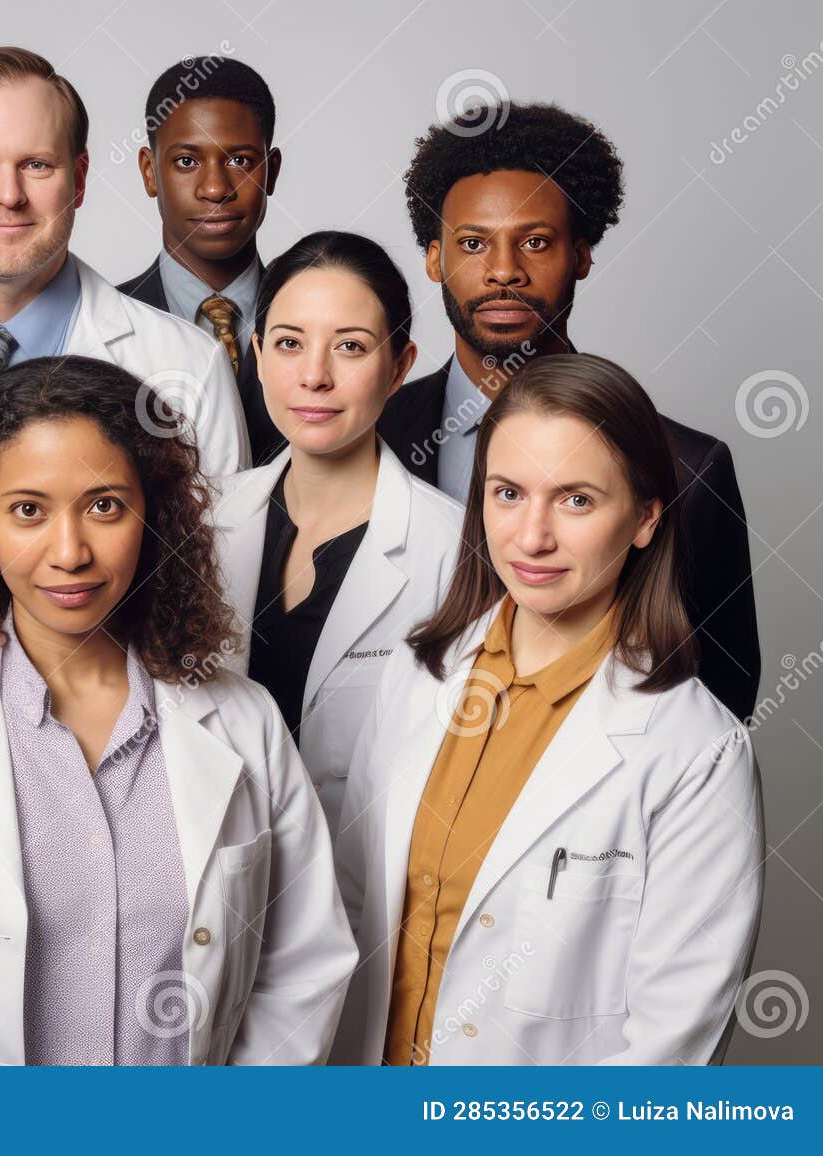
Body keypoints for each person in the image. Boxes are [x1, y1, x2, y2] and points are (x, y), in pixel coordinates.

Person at [0, 355, 356, 1065]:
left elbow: (303, 970)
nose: (69, 551)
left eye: (104, 506)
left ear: (153, 515)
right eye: (28, 510)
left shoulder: (244, 723)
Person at [335, 353, 763, 1066]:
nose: (531, 537)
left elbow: (673, 1044)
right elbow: (353, 914)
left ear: (645, 518)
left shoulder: (695, 751)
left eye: (576, 500)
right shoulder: (417, 676)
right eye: (507, 493)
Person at [377, 101, 759, 720]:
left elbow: (721, 704)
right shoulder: (377, 437)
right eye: (473, 244)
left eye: (535, 242)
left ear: (581, 255)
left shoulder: (688, 470)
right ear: (433, 258)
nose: (504, 271)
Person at [0, 46, 249, 482]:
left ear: (80, 177)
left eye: (37, 165)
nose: (10, 195)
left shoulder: (189, 366)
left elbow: (219, 548)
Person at [212, 232, 462, 834]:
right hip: (215, 895)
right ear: (257, 354)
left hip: (367, 902)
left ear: (400, 366)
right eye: (289, 344)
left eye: (350, 347)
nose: (315, 376)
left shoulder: (455, 549)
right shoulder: (200, 524)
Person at [119, 56, 283, 465]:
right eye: (187, 162)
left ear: (272, 171)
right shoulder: (101, 324)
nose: (215, 188)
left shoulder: (317, 318)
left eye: (240, 161)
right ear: (149, 172)